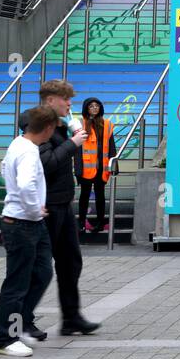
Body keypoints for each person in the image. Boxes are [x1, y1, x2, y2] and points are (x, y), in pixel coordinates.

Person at [19, 80, 100, 336]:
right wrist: (72, 143)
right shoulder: (35, 124)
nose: (70, 104)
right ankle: (22, 319)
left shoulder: (60, 126)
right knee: (39, 267)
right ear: (50, 100)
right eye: (66, 99)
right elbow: (46, 163)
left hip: (63, 204)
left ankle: (71, 317)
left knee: (71, 262)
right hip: (46, 207)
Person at [0, 105, 58, 357]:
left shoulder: (19, 145)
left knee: (42, 271)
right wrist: (34, 210)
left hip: (29, 223)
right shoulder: (28, 152)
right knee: (17, 282)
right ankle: (6, 338)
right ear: (48, 128)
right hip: (22, 222)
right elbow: (25, 184)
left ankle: (18, 325)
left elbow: (4, 170)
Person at [73, 97, 115, 235]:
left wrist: (114, 163)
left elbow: (111, 147)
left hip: (101, 168)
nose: (94, 108)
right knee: (84, 195)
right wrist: (78, 168)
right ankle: (81, 223)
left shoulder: (107, 124)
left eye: (97, 106)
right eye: (91, 106)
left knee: (100, 196)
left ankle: (100, 223)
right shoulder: (80, 124)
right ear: (86, 108)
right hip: (86, 168)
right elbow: (77, 148)